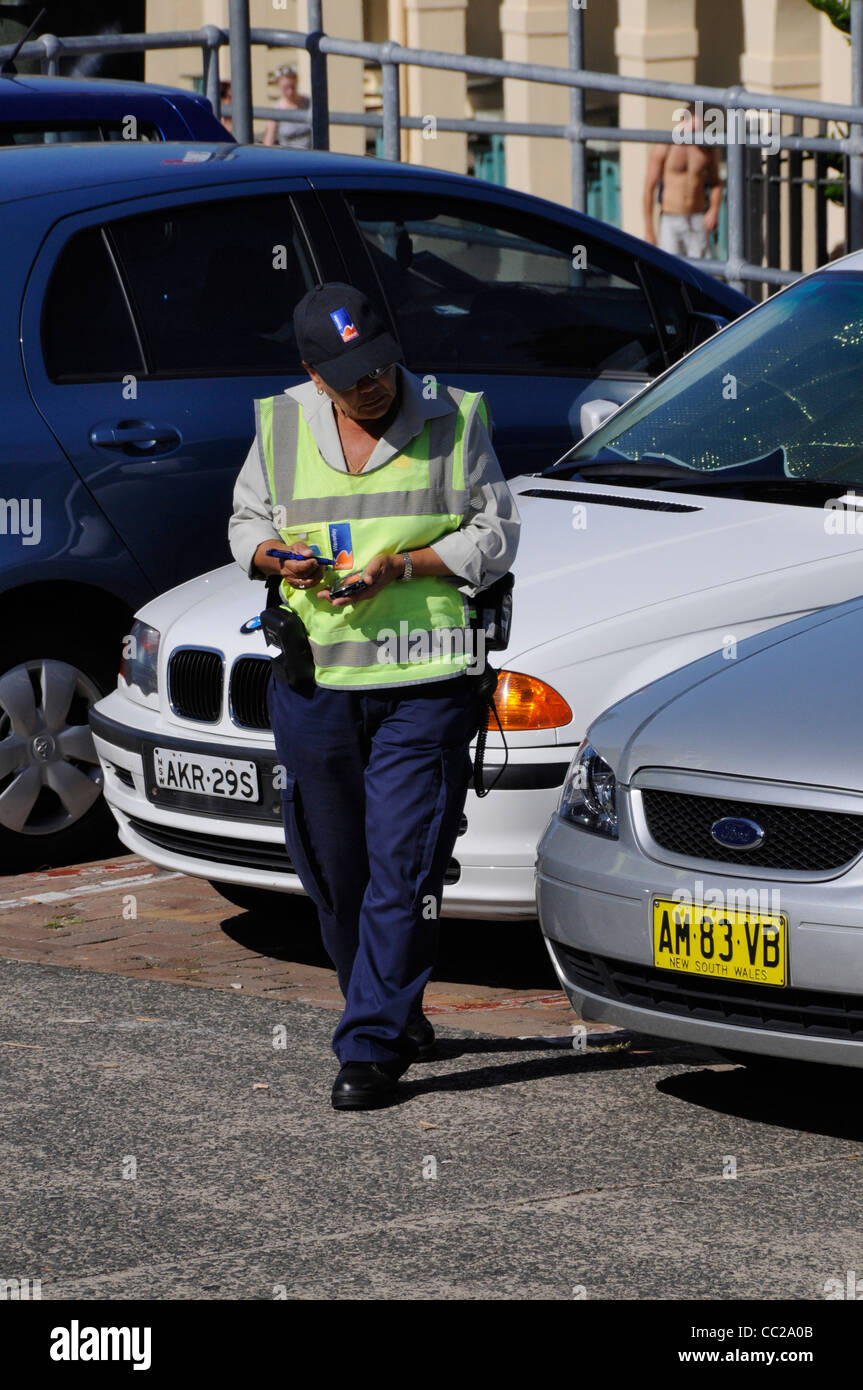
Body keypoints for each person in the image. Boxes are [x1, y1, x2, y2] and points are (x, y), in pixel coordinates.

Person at [228, 283, 520, 1111]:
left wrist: (406, 565)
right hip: (316, 683)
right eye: (351, 374)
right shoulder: (279, 425)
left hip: (425, 681)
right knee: (334, 870)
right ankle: (389, 1002)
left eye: (381, 364)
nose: (373, 384)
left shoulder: (455, 417)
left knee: (404, 862)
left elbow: (494, 535)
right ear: (312, 373)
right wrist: (269, 557)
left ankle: (370, 1041)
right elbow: (246, 520)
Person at [643, 103, 721, 258]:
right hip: (671, 217)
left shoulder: (706, 148)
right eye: (691, 129)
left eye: (697, 130)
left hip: (697, 217)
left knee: (702, 273)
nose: (693, 134)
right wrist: (649, 230)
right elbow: (649, 188)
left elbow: (715, 182)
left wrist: (713, 210)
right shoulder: (665, 145)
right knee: (670, 270)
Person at [262, 64, 312, 150]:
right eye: (285, 88)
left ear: (297, 82)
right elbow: (268, 142)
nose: (290, 92)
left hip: (310, 156)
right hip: (288, 157)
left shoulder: (308, 103)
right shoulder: (276, 110)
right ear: (278, 86)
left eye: (293, 87)